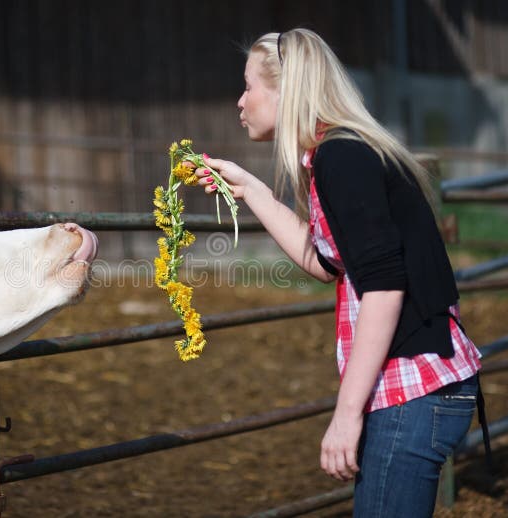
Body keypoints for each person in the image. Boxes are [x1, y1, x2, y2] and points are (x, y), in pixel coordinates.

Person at [192, 28, 485, 517]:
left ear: (286, 90)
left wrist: (346, 417)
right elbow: (326, 263)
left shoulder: (341, 157)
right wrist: (252, 190)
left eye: (248, 86)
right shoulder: (337, 152)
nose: (241, 101)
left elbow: (385, 289)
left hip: (413, 390)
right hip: (416, 388)